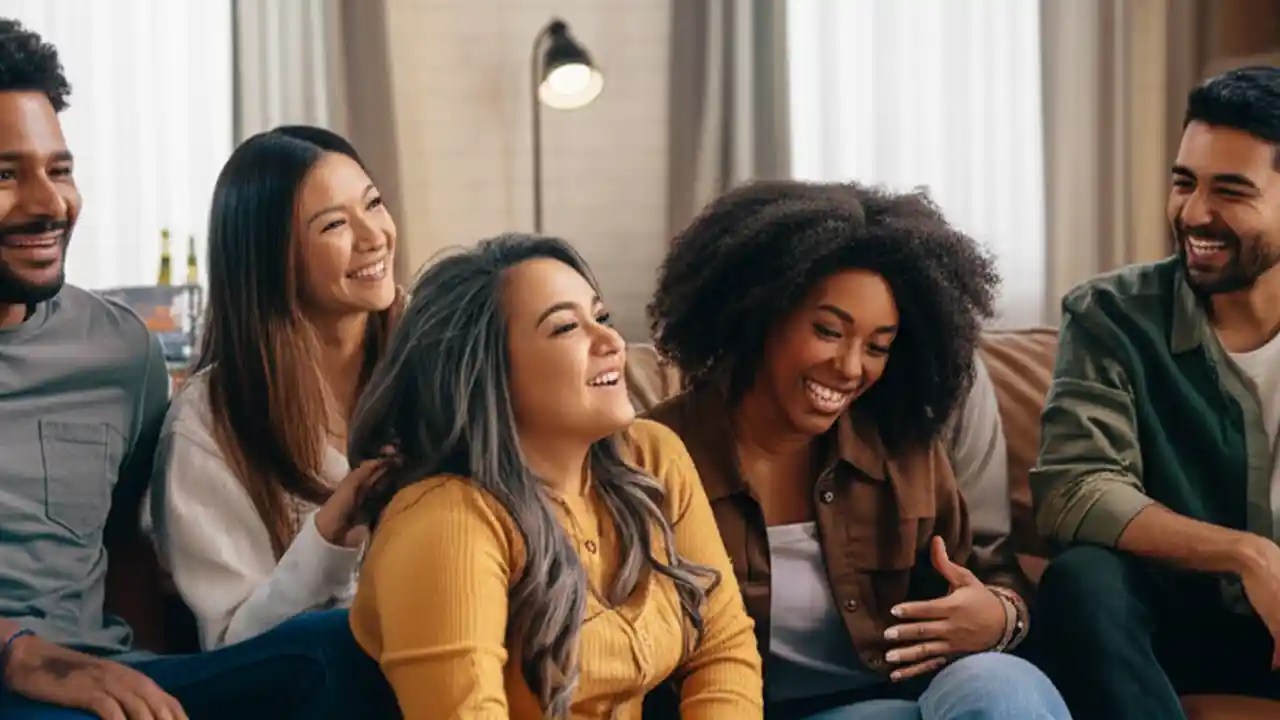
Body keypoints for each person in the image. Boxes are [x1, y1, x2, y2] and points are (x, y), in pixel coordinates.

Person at [0, 18, 396, 720]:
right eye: (5, 175)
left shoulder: (119, 352)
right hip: (22, 678)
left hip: (110, 677)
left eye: (59, 170)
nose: (48, 204)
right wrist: (20, 652)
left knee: (336, 650)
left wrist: (140, 677)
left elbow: (123, 545)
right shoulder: (214, 415)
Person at [644, 180, 1068, 719]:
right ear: (761, 313)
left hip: (915, 701)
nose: (849, 368)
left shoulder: (903, 447)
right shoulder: (653, 456)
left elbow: (992, 575)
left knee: (998, 685)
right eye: (828, 331)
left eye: (877, 347)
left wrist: (1000, 615)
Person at [344, 234, 764, 719]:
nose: (610, 342)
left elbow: (724, 648)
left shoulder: (652, 457)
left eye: (601, 317)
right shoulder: (445, 519)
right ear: (489, 372)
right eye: (566, 328)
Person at [1032, 66, 1280, 718]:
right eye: (1183, 182)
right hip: (1171, 634)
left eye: (1231, 190)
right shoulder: (1110, 315)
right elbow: (1075, 489)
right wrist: (1247, 555)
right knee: (1083, 580)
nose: (1194, 213)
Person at [149, 125, 402, 650]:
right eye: (334, 224)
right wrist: (329, 537)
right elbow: (234, 648)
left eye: (373, 203)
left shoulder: (435, 353)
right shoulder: (210, 423)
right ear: (271, 256)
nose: (373, 235)